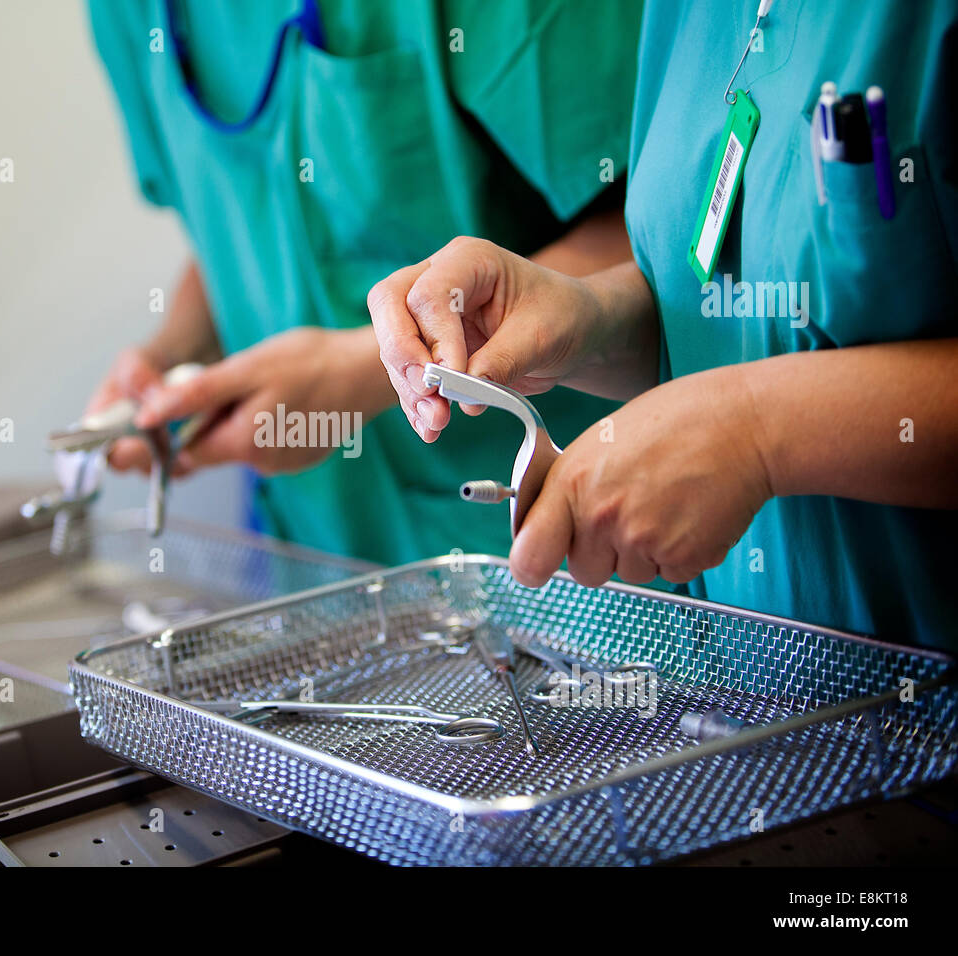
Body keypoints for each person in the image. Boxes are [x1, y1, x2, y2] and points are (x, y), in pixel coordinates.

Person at [369, 0, 958, 648]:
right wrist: (591, 317)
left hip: (925, 706)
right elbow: (728, 306)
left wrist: (758, 433)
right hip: (748, 695)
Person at [84, 0, 643, 565]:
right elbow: (240, 232)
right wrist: (170, 366)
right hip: (306, 556)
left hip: (535, 551)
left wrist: (362, 372)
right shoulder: (129, 15)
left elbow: (656, 230)